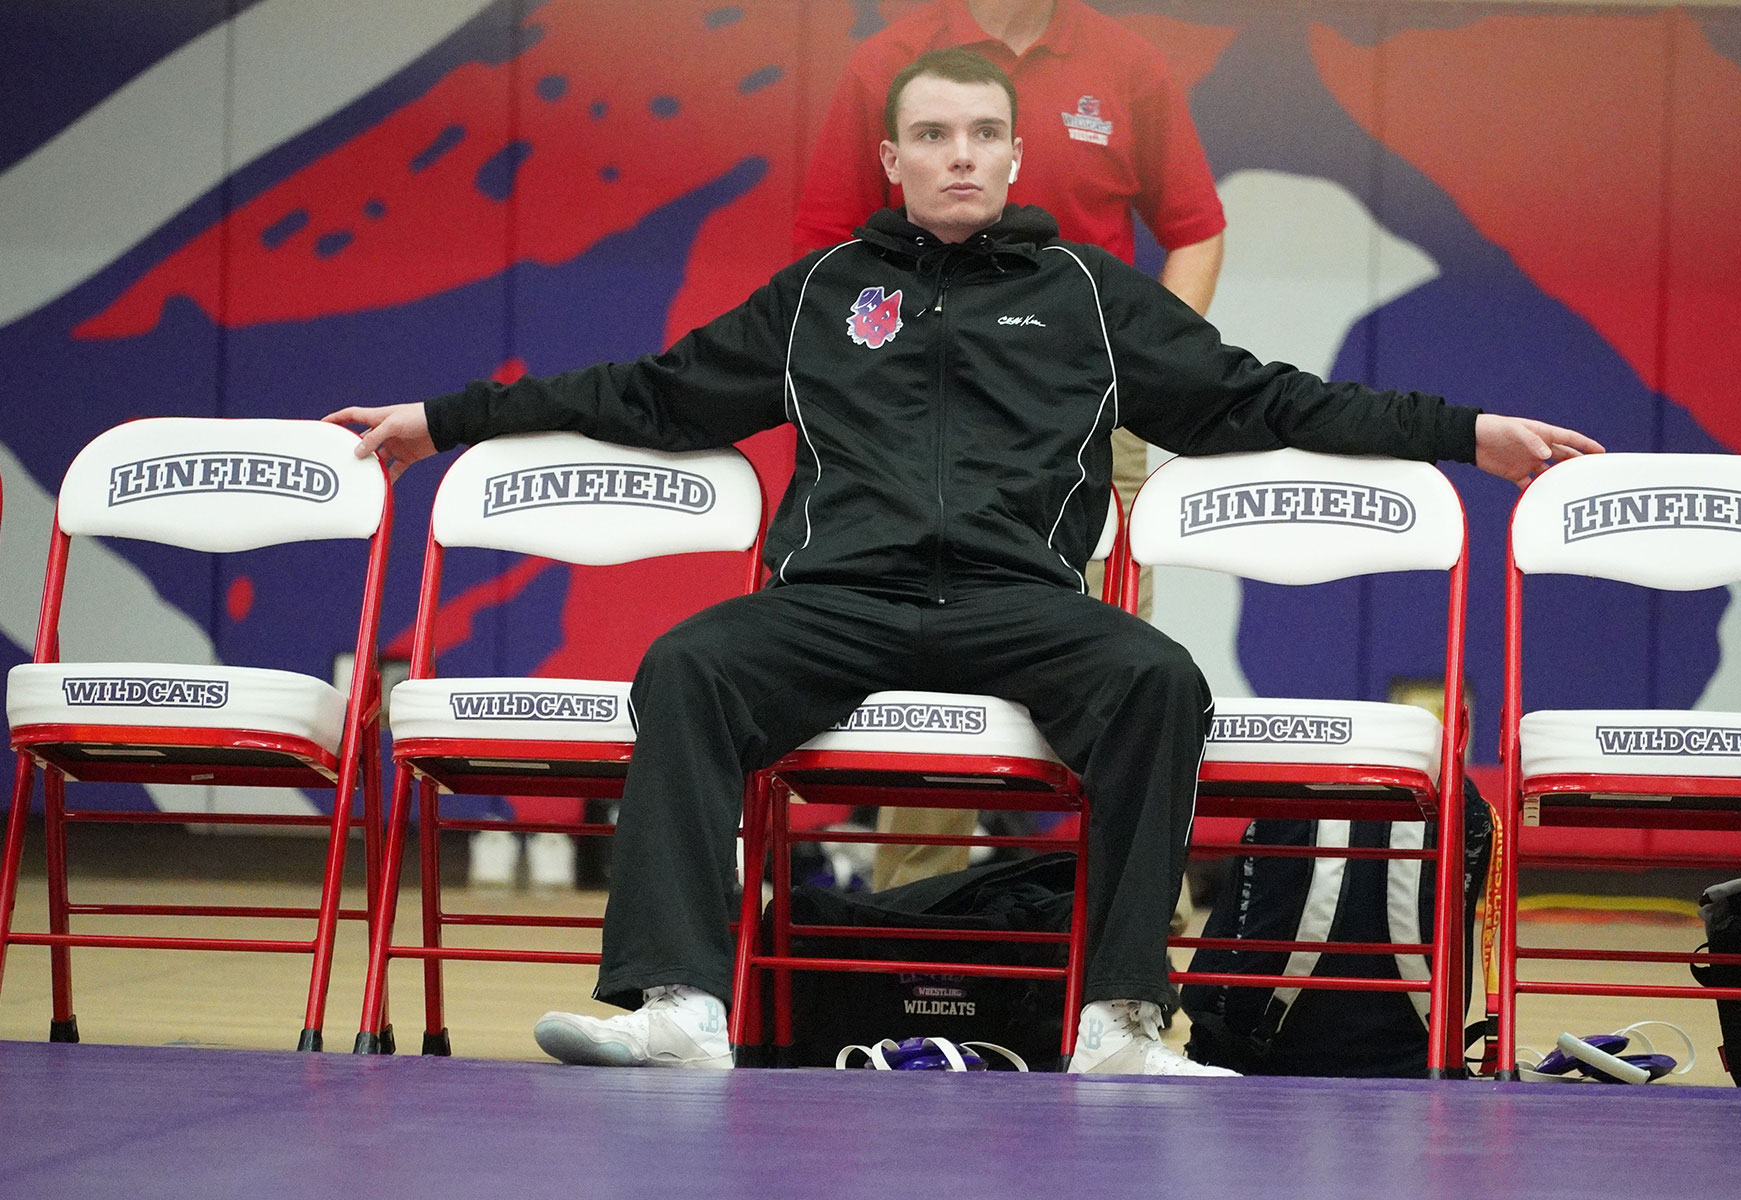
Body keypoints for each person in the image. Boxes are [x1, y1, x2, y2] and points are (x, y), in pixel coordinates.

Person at [328, 50, 1599, 1076]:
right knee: (687, 665)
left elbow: (1263, 400)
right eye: (932, 137)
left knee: (1158, 678)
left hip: (1018, 604)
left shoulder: (1091, 292)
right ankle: (681, 1007)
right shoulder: (824, 290)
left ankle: (1118, 1022)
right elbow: (651, 394)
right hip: (838, 601)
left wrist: (1467, 433)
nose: (960, 156)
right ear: (891, 162)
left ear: (1015, 154)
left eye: (982, 135)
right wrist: (438, 422)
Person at [796, 0, 1228, 888]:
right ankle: (915, 909)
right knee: (926, 645)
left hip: (1086, 415)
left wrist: (1141, 362)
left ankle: (1132, 924)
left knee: (1120, 664)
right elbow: (823, 245)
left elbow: (1194, 229)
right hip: (924, 413)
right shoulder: (891, 60)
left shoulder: (1129, 61)